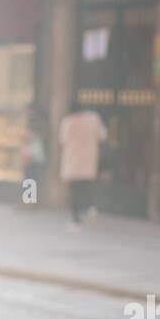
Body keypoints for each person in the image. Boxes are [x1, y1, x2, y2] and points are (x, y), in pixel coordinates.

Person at [58, 98, 108, 229]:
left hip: (72, 159)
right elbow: (103, 135)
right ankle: (91, 207)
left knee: (74, 189)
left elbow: (62, 139)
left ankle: (75, 219)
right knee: (87, 184)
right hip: (88, 158)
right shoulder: (93, 118)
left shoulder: (67, 121)